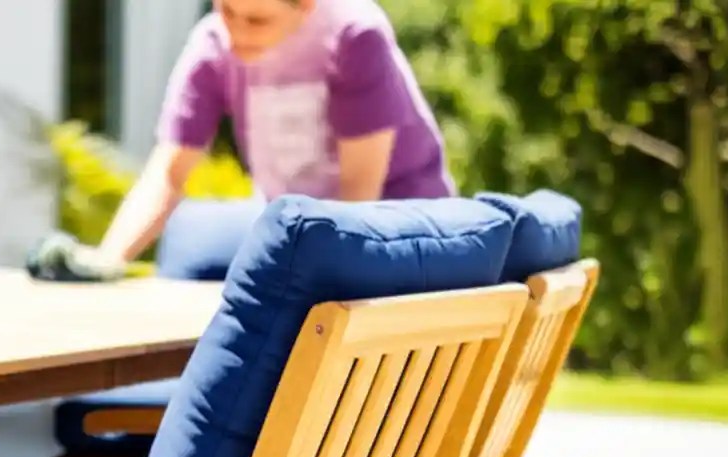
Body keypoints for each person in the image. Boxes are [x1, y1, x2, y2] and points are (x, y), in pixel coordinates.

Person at [37, 0, 456, 281]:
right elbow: (169, 173)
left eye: (256, 20)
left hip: (403, 234)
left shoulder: (353, 37)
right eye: (226, 10)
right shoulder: (213, 42)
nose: (236, 31)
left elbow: (360, 195)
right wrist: (108, 260)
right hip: (310, 236)